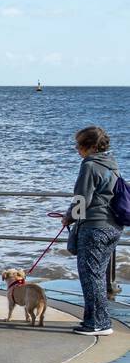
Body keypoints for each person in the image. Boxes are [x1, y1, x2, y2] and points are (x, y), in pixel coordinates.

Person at [64, 126, 122, 336]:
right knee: (97, 275)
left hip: (95, 228)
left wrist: (68, 217)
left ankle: (99, 324)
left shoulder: (89, 165)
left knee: (91, 277)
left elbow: (81, 200)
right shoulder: (112, 164)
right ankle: (93, 320)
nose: (76, 149)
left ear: (90, 147)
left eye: (78, 145)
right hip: (113, 227)